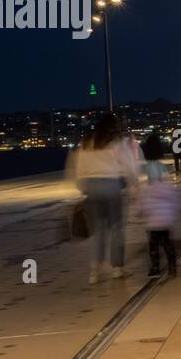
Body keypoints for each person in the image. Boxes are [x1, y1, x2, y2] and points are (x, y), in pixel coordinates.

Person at [66, 112, 141, 284]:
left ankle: (95, 270)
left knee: (99, 230)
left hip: (91, 188)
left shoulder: (86, 143)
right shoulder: (116, 142)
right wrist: (134, 183)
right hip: (112, 186)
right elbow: (128, 165)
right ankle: (116, 268)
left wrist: (81, 187)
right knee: (116, 228)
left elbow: (78, 167)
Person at [141, 140, 180, 278]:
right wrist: (173, 210)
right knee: (167, 243)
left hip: (152, 218)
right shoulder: (163, 168)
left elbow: (144, 198)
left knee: (153, 245)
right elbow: (171, 193)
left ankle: (155, 267)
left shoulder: (146, 169)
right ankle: (172, 266)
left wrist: (142, 211)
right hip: (164, 216)